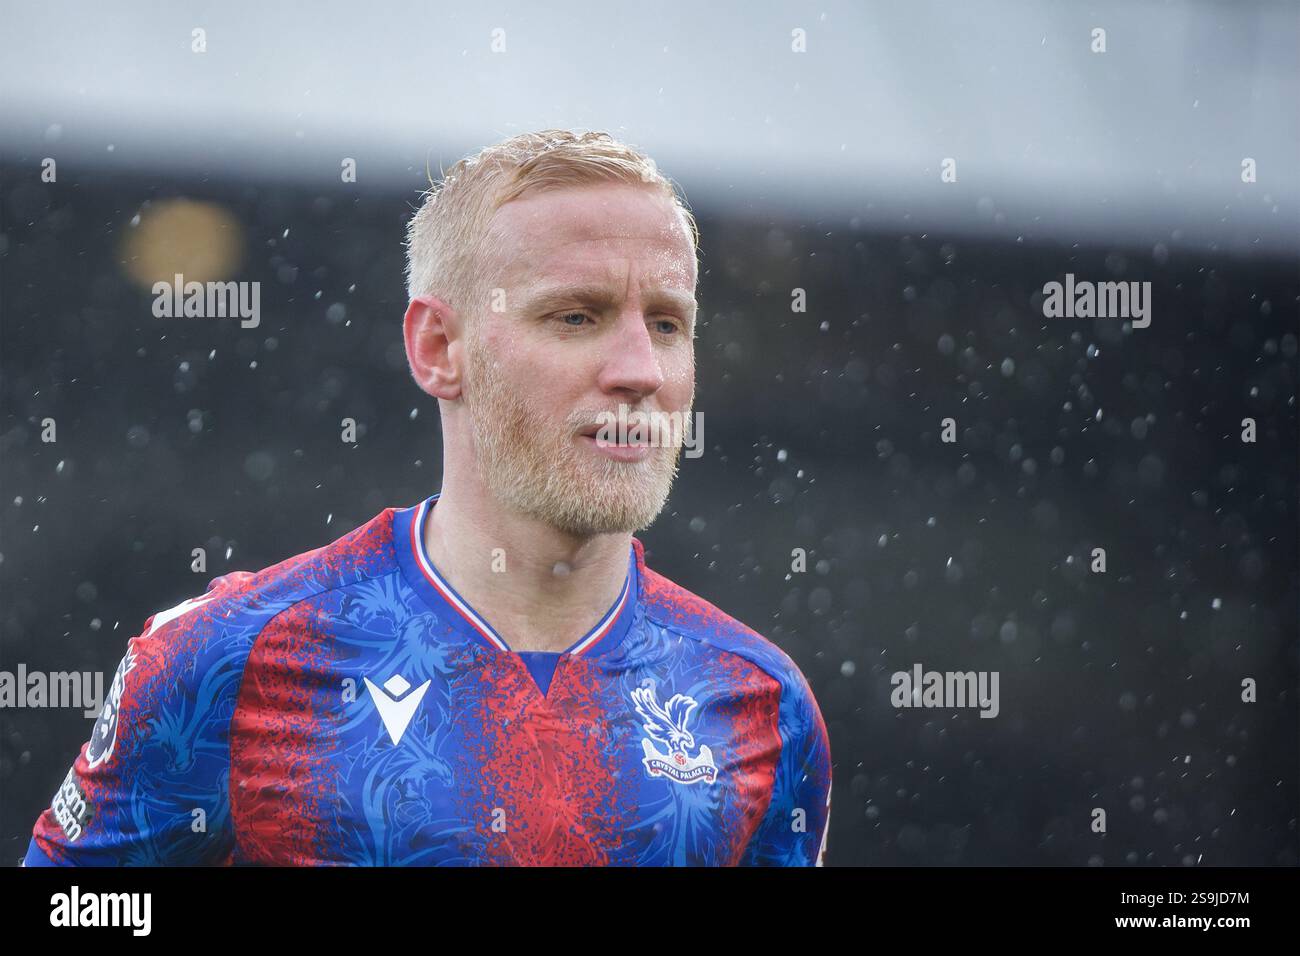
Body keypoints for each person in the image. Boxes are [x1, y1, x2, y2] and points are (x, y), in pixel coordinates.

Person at [25, 130, 832, 866]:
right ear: (440, 348)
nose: (640, 371)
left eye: (666, 324)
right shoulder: (229, 660)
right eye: (577, 316)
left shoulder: (761, 706)